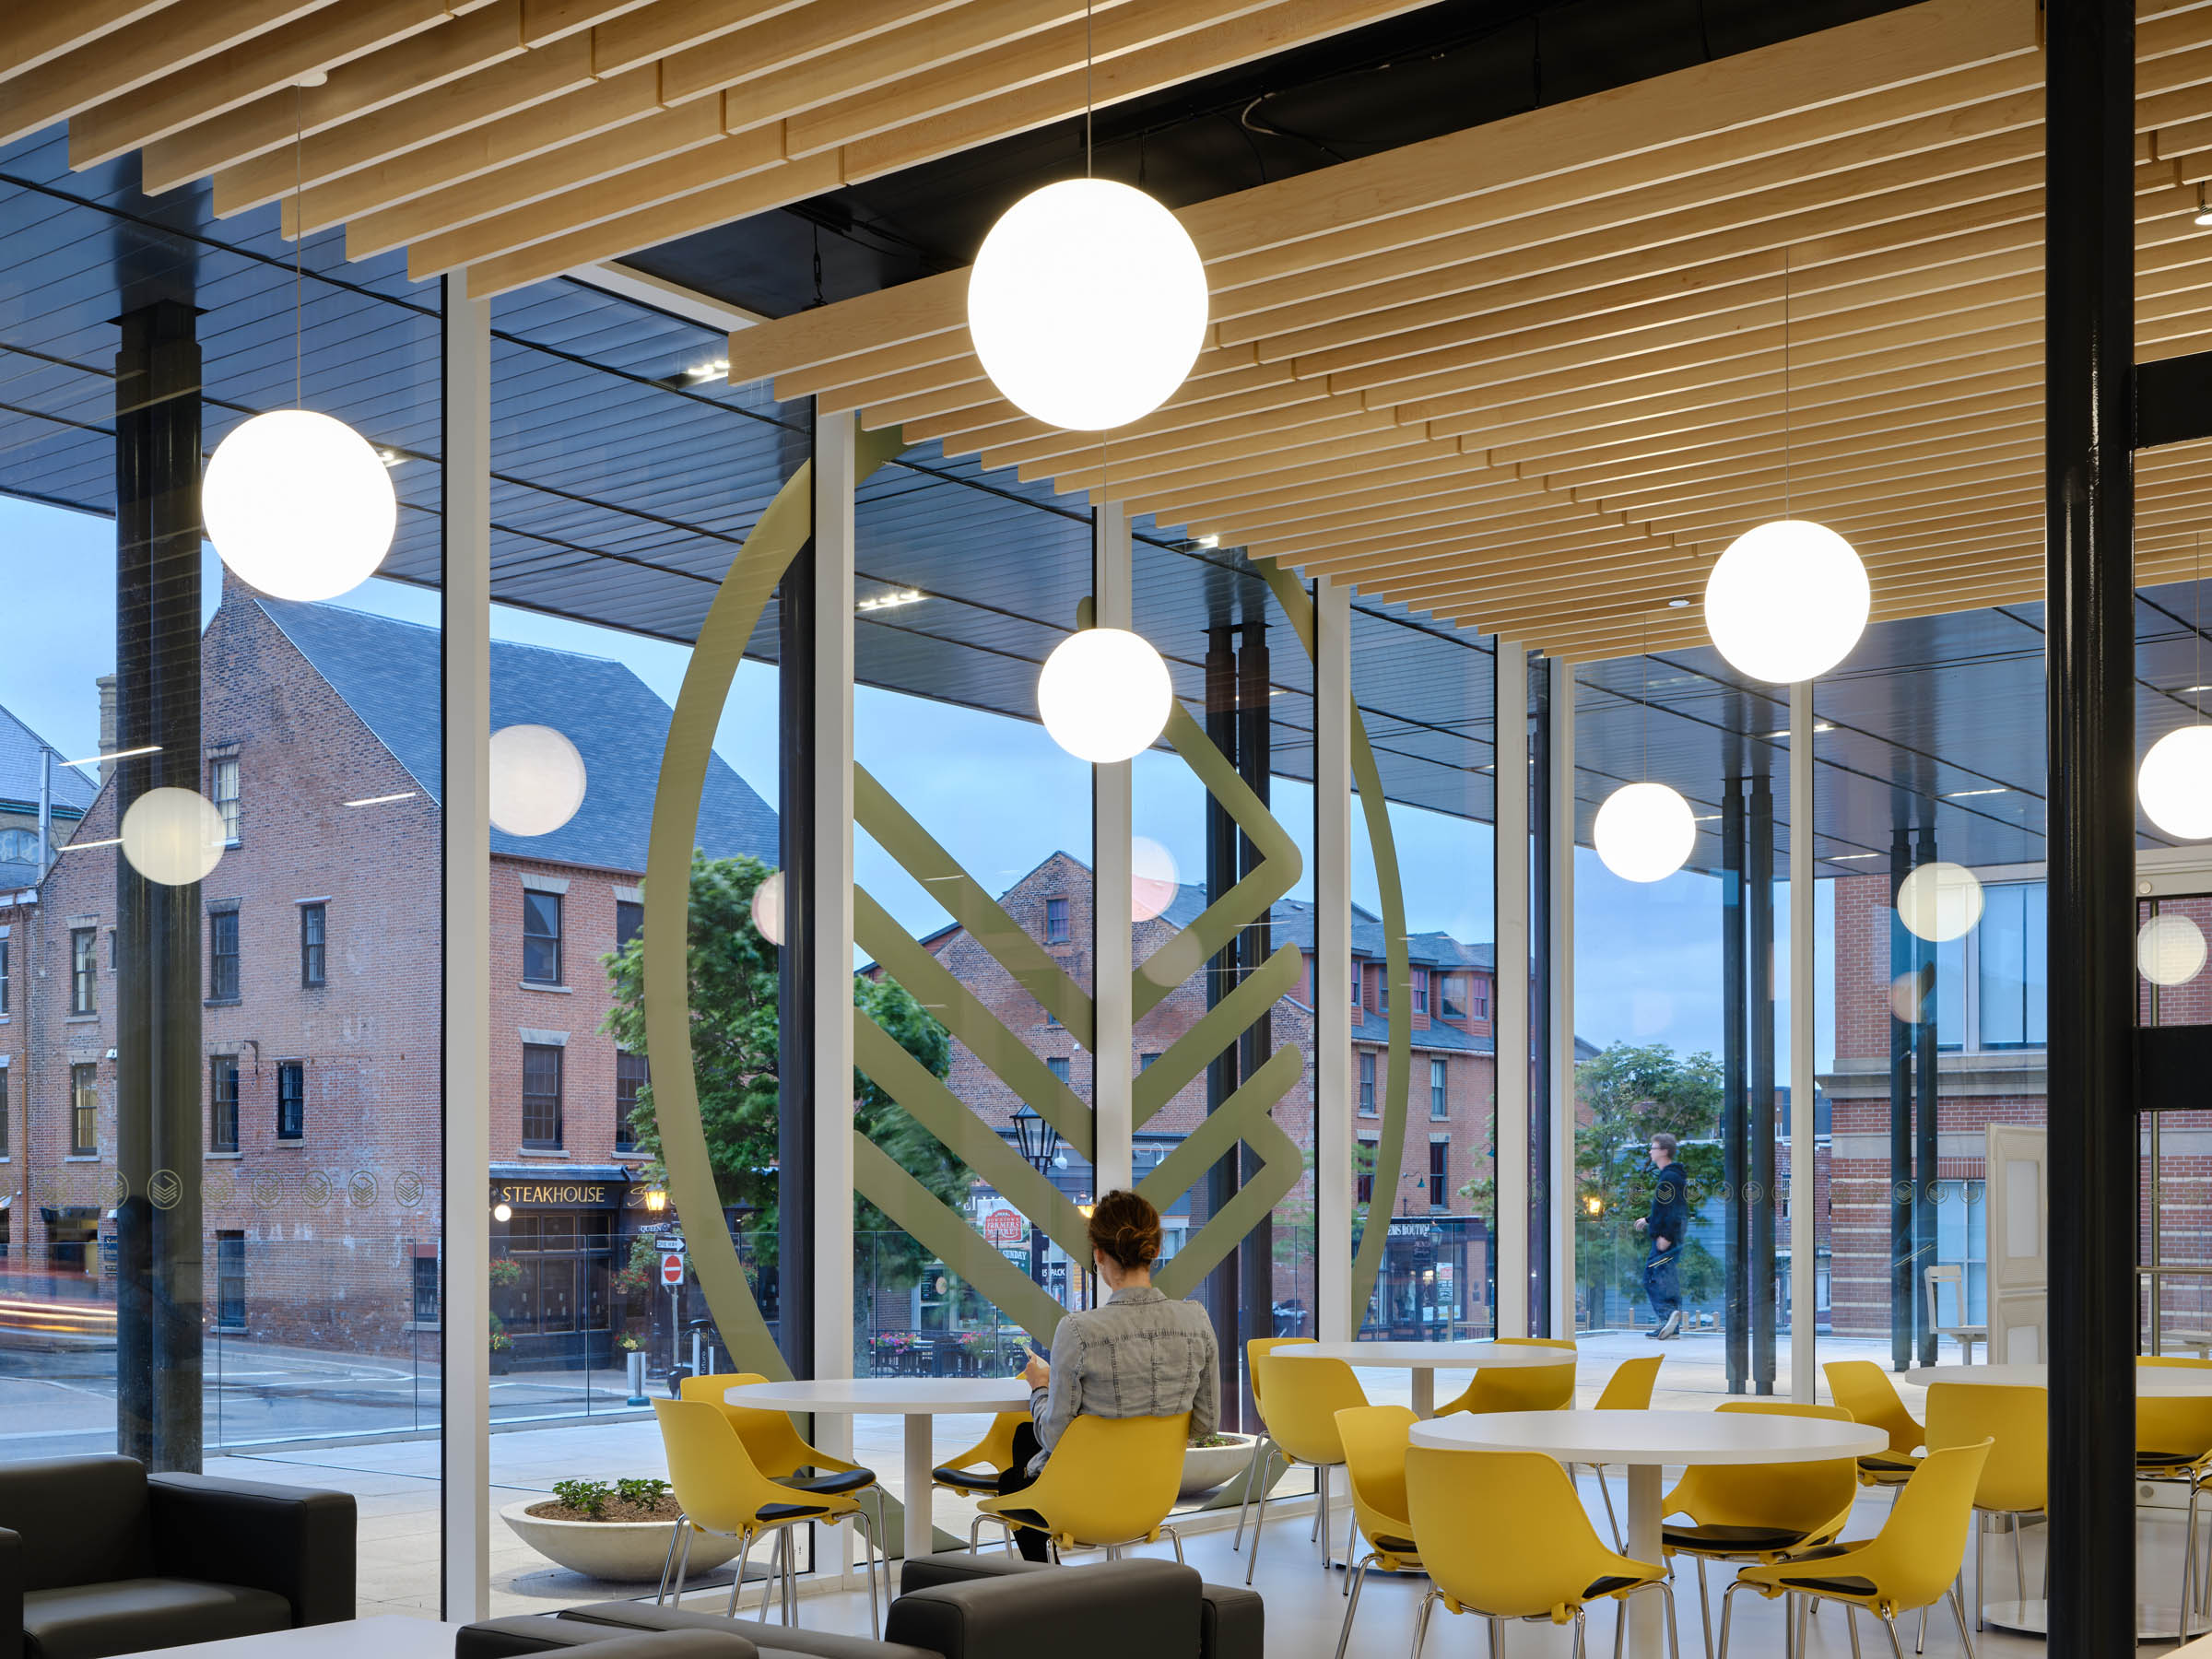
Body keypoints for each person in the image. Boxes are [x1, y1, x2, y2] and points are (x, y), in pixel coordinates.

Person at [994, 1188, 1218, 1560]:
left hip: (1087, 1502)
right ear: (1155, 1250)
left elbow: (1054, 1436)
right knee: (1022, 1439)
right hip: (1153, 1498)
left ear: (1098, 1254)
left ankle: (1049, 1586)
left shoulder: (1079, 1331)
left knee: (1012, 1478)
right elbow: (1205, 1424)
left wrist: (1040, 1388)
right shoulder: (1197, 1320)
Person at [1632, 1132, 1689, 1339]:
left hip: (1666, 1238)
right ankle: (1671, 1326)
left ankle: (1668, 1318)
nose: (1650, 1151)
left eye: (1653, 1148)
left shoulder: (1670, 1177)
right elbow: (1666, 1207)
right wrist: (1649, 1220)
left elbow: (1675, 1210)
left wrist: (1666, 1235)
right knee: (1665, 1277)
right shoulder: (1671, 1176)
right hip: (1669, 1235)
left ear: (1664, 1151)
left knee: (1652, 1277)